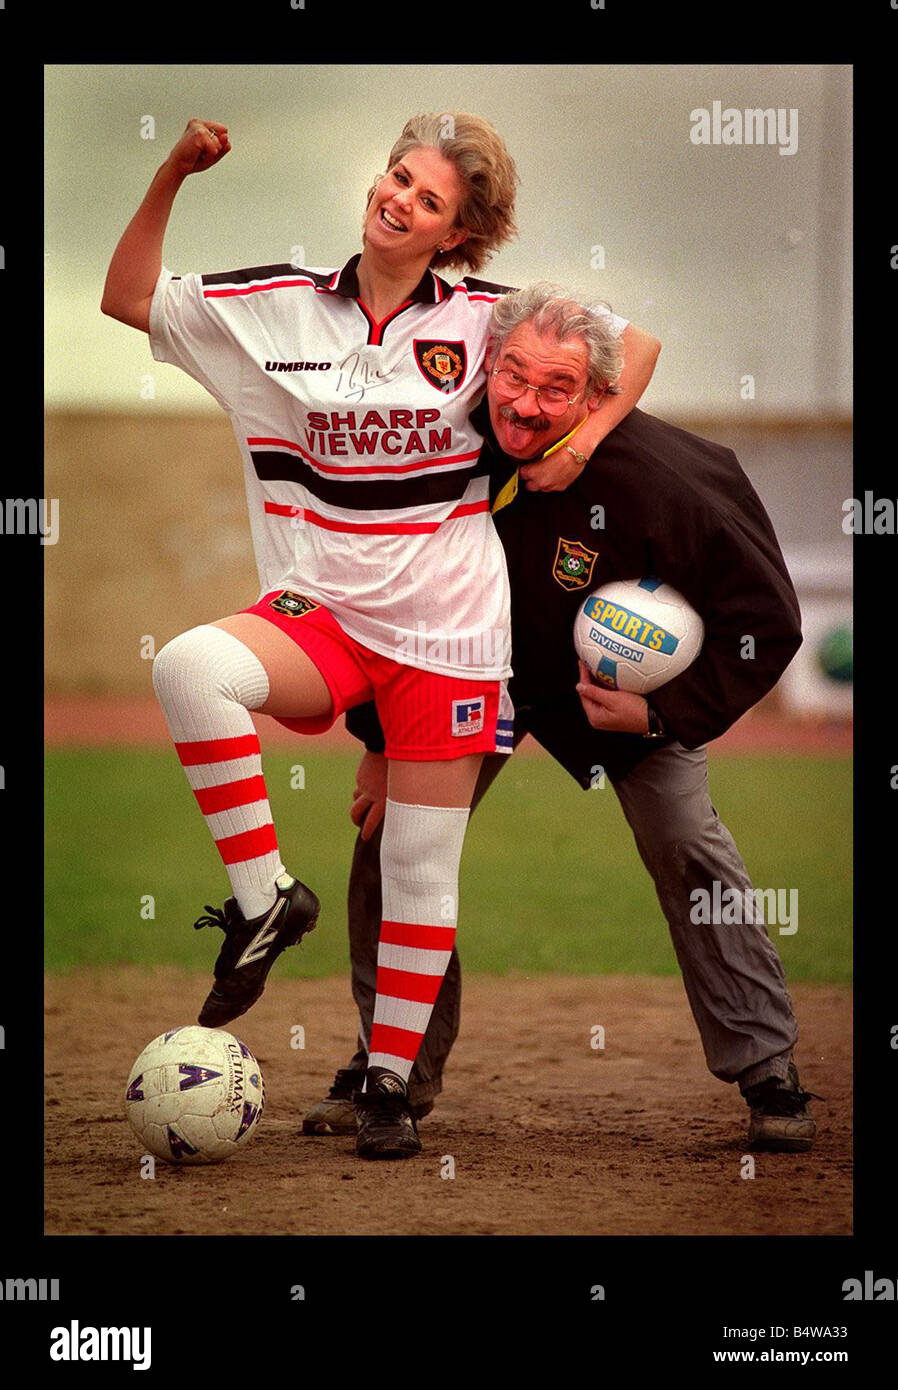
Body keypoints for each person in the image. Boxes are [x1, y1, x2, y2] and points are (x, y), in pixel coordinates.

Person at [100, 115, 661, 1161]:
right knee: (189, 667)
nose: (399, 199)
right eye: (398, 177)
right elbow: (126, 296)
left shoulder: (495, 321)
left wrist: (575, 441)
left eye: (430, 199)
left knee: (416, 863)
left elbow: (633, 348)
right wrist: (173, 169)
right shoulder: (270, 304)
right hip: (319, 617)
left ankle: (391, 1088)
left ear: (457, 234)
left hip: (448, 634)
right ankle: (267, 903)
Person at [304, 283, 820, 1154]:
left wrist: (659, 711)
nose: (525, 404)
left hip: (621, 705)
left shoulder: (676, 482)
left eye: (557, 389)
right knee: (388, 838)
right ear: (487, 367)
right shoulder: (445, 452)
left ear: (596, 400)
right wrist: (379, 744)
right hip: (474, 679)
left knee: (689, 842)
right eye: (513, 376)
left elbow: (768, 625)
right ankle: (390, 1065)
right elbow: (391, 602)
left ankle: (768, 1067)